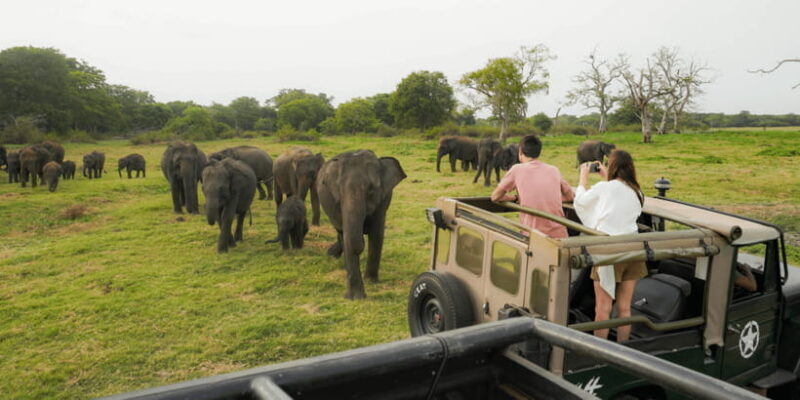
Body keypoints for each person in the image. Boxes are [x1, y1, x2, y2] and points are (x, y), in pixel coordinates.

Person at [573, 149, 646, 342]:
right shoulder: (637, 191)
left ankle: (600, 354)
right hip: (633, 250)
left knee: (602, 309)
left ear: (611, 166)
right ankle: (622, 349)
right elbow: (616, 199)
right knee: (624, 308)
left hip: (609, 252)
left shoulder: (605, 188)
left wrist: (583, 178)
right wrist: (606, 177)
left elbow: (580, 202)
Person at [490, 135, 575, 239]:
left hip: (533, 237)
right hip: (560, 235)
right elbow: (570, 196)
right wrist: (550, 200)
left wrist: (514, 198)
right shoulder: (554, 170)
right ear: (538, 152)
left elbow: (495, 196)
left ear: (520, 152)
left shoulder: (517, 169)